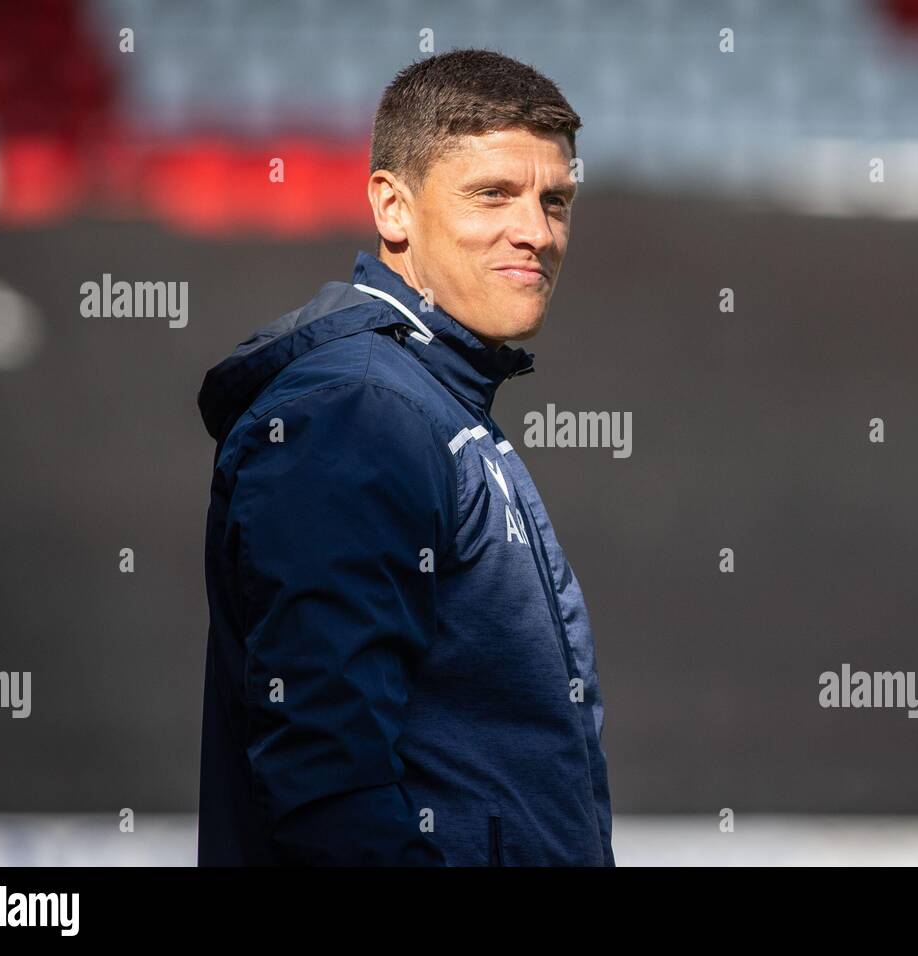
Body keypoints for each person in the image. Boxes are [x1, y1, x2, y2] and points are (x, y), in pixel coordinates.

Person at [195, 49, 613, 866]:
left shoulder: (432, 399)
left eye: (555, 200)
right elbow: (329, 783)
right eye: (493, 193)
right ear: (393, 206)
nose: (536, 231)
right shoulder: (358, 411)